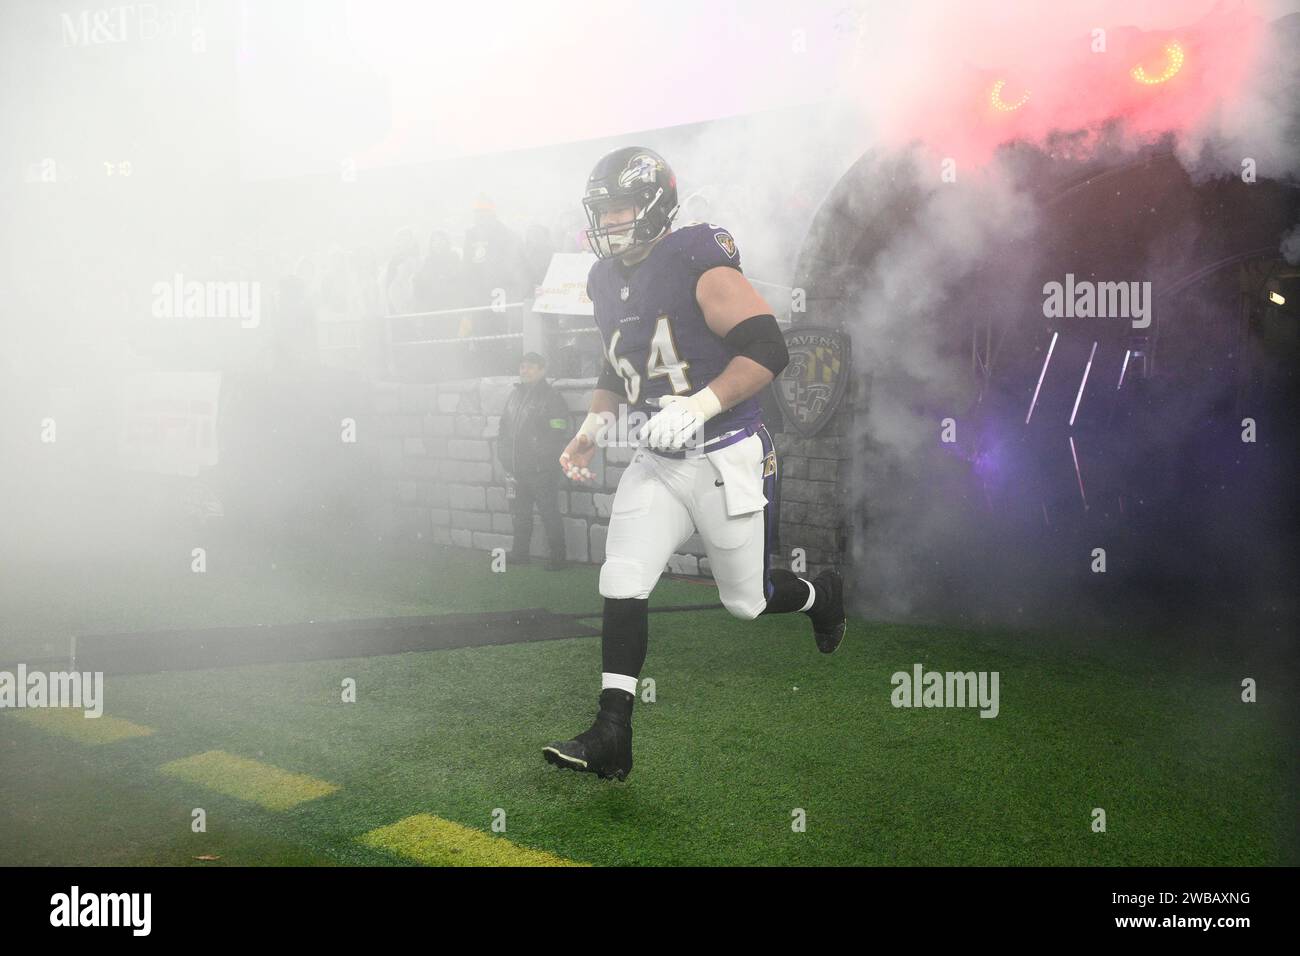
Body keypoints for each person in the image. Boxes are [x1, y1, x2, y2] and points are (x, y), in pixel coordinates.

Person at [542, 146, 847, 781]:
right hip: (656, 462)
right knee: (621, 580)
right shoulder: (603, 280)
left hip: (725, 456)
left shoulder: (694, 255)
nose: (609, 222)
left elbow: (768, 348)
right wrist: (592, 429)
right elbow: (616, 363)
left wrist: (701, 404)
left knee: (748, 602)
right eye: (602, 211)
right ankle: (612, 735)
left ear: (653, 205)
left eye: (620, 207)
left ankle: (822, 595)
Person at [498, 352, 571, 570]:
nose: (525, 370)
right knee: (520, 514)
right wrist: (503, 456)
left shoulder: (551, 396)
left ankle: (558, 559)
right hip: (517, 467)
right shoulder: (514, 396)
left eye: (530, 367)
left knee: (549, 513)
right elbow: (503, 427)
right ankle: (520, 553)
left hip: (541, 469)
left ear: (542, 370)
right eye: (522, 367)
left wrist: (544, 458)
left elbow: (558, 429)